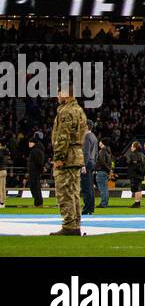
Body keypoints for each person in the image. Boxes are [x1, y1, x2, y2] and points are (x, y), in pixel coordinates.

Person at [49, 85, 88, 235]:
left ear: (65, 94)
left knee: (65, 191)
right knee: (74, 192)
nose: (57, 96)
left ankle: (69, 225)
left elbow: (63, 136)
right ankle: (75, 224)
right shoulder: (79, 111)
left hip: (67, 156)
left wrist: (58, 157)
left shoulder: (66, 111)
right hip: (76, 154)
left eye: (59, 93)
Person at [80, 121, 98, 216]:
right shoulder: (94, 136)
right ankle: (90, 208)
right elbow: (96, 153)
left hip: (86, 163)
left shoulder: (86, 137)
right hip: (91, 163)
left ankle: (86, 208)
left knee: (86, 187)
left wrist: (83, 165)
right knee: (90, 187)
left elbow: (85, 152)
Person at [126, 142, 145, 208]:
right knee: (139, 188)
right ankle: (138, 202)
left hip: (134, 174)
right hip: (140, 173)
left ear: (135, 147)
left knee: (136, 188)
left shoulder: (133, 154)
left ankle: (136, 203)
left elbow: (128, 162)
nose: (131, 148)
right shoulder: (142, 154)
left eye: (132, 146)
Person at [26, 136, 45, 207]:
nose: (29, 144)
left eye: (30, 142)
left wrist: (40, 168)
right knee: (35, 187)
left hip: (34, 171)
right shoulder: (38, 150)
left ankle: (38, 203)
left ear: (34, 143)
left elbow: (38, 162)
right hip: (35, 171)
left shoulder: (35, 151)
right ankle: (38, 202)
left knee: (34, 187)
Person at [95, 139, 112, 208]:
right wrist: (109, 170)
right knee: (105, 189)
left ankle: (103, 203)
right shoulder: (108, 151)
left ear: (102, 143)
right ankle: (105, 203)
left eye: (100, 141)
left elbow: (102, 161)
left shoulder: (102, 151)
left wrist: (107, 169)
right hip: (105, 172)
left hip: (101, 171)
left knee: (102, 189)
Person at [0, 137, 9, 207]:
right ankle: (3, 202)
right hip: (4, 170)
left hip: (0, 171)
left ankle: (1, 203)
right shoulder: (5, 152)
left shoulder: (1, 152)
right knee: (3, 187)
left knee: (0, 188)